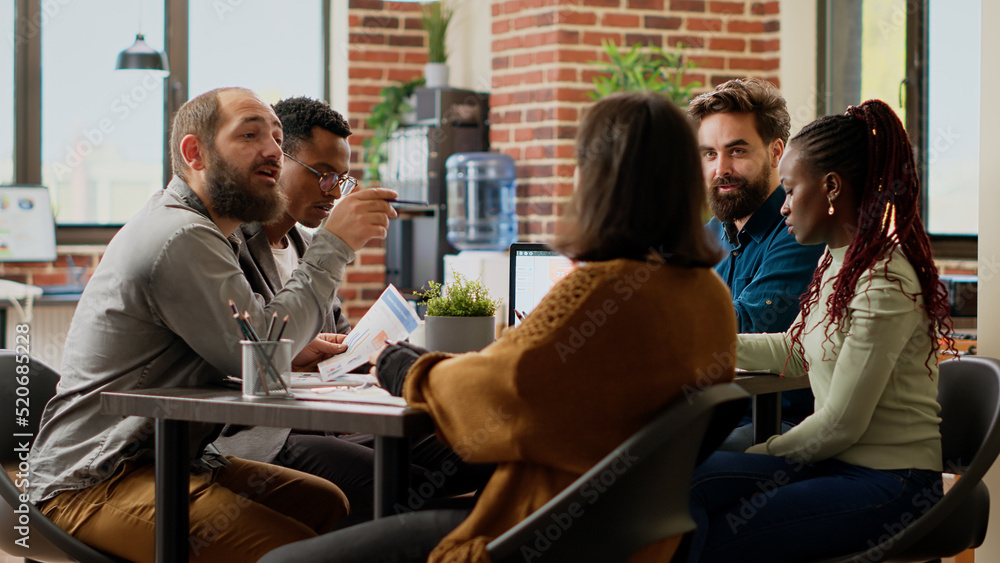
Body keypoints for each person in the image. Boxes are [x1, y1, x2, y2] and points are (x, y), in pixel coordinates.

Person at [260, 92, 738, 563]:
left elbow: (502, 395)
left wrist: (409, 370)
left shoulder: (600, 291)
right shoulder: (710, 296)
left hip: (530, 537)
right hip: (622, 540)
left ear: (597, 179)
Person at [27, 87, 398, 563]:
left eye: (277, 137)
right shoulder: (179, 234)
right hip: (94, 477)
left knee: (327, 503)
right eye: (250, 135)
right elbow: (266, 344)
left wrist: (289, 354)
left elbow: (254, 355)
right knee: (299, 551)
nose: (272, 150)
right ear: (194, 153)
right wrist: (335, 245)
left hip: (173, 460)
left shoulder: (209, 234)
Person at [686, 100, 953, 562]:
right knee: (685, 488)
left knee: (713, 531)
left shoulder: (883, 280)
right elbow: (794, 351)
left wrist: (761, 452)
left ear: (831, 187)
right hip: (836, 462)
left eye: (791, 190)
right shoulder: (836, 259)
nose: (784, 206)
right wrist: (697, 345)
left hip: (889, 481)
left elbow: (840, 423)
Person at [214, 96, 485, 525]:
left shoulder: (306, 247)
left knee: (476, 450)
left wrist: (366, 351)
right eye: (322, 173)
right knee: (410, 488)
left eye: (341, 179)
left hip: (324, 423)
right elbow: (239, 351)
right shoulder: (229, 245)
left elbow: (339, 344)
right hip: (265, 436)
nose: (332, 191)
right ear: (278, 160)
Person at [688, 78, 825, 449]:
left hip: (777, 422)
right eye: (709, 154)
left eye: (737, 151)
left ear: (776, 152)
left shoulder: (801, 232)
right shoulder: (707, 236)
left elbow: (749, 326)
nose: (721, 169)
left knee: (668, 461)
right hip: (710, 411)